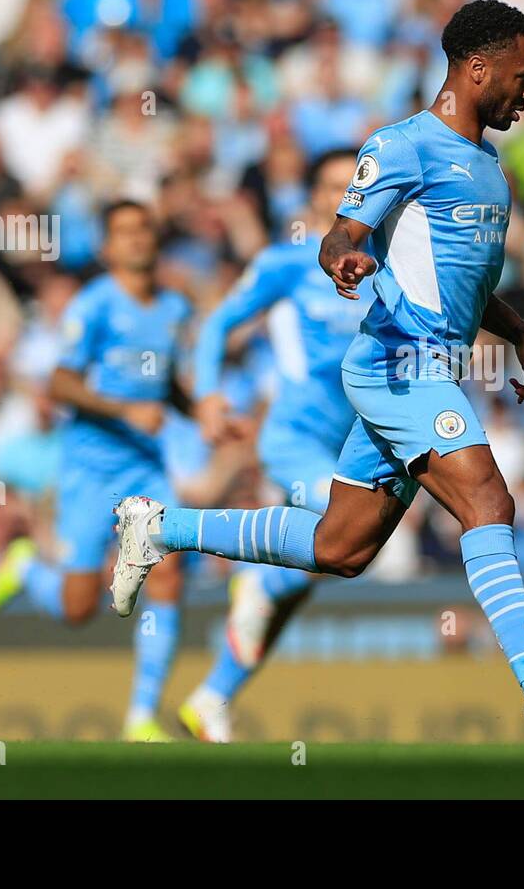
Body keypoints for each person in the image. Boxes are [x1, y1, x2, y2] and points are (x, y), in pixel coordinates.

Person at [113, 0, 524, 743]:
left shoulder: (487, 167)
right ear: (477, 69)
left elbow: (467, 285)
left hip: (430, 367)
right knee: (487, 501)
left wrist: (518, 332)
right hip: (397, 363)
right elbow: (341, 232)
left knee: (339, 548)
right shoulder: (404, 146)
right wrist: (342, 255)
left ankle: (158, 528)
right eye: (523, 74)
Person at [0, 201, 193, 742]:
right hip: (90, 470)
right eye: (124, 233)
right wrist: (124, 411)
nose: (137, 240)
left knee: (165, 572)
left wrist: (204, 413)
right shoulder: (92, 306)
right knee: (78, 608)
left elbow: (163, 383)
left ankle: (141, 716)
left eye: (144, 229)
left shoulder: (172, 308)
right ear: (106, 248)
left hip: (145, 467)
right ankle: (26, 568)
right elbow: (60, 383)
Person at [178, 149, 375, 742]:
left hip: (358, 446)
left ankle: (213, 696)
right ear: (314, 197)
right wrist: (209, 395)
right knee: (339, 532)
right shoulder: (287, 265)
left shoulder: (386, 267)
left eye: (356, 188)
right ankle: (253, 580)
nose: (346, 199)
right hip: (292, 439)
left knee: (318, 570)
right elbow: (216, 324)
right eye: (334, 187)